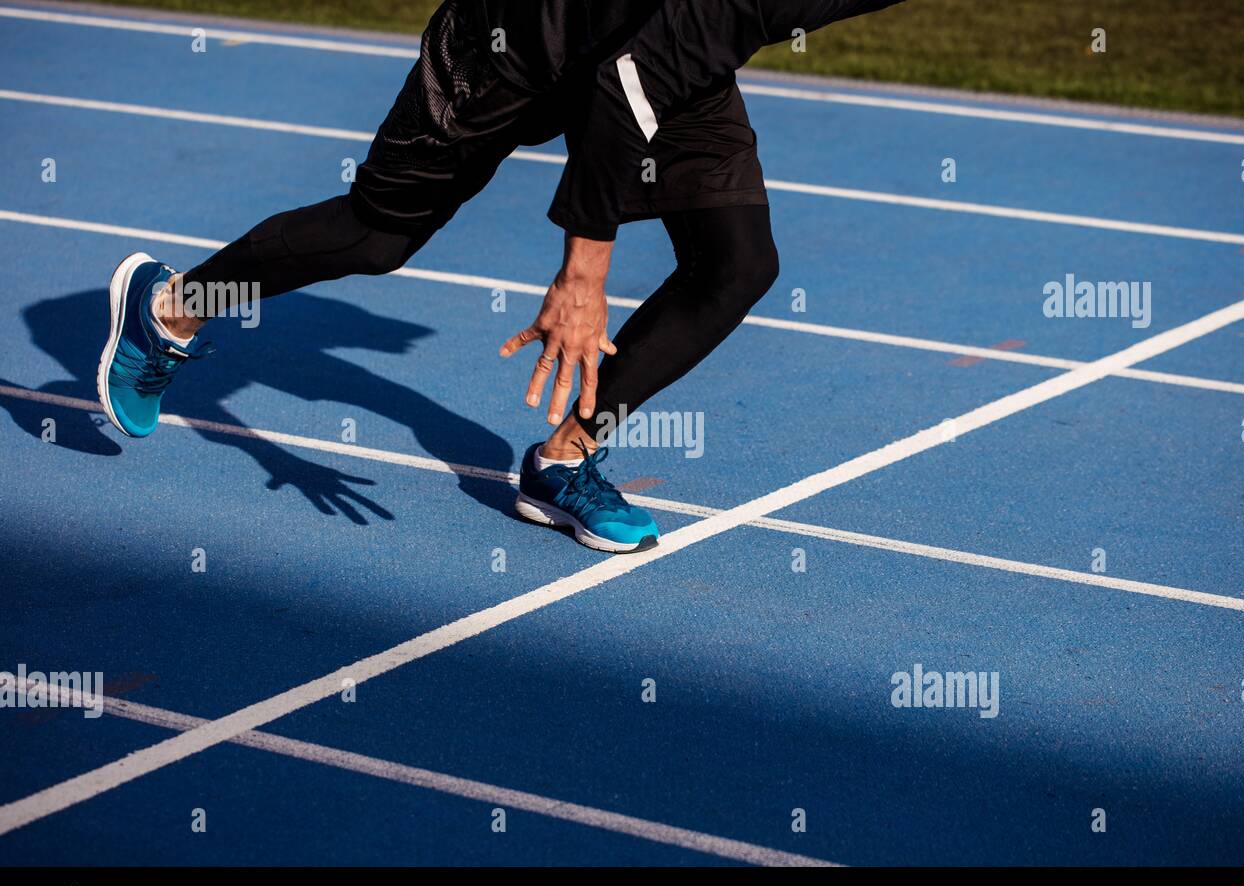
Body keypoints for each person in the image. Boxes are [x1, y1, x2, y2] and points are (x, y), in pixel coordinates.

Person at [97, 0, 903, 552]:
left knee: (736, 263)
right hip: (517, 36)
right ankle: (171, 309)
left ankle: (563, 460)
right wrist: (582, 282)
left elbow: (648, 66)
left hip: (656, 48)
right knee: (376, 237)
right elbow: (628, 90)